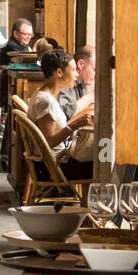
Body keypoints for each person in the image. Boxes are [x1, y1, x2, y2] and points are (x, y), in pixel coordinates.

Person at [29, 49, 95, 179]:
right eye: (73, 70)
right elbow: (48, 142)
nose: (76, 75)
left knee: (102, 153)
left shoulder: (42, 95)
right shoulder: (46, 102)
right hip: (55, 167)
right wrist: (76, 124)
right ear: (59, 72)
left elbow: (54, 130)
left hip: (59, 160)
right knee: (106, 162)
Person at [58, 45, 95, 119]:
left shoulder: (82, 83)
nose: (96, 75)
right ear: (81, 64)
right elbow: (63, 115)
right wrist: (91, 97)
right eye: (94, 69)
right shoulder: (64, 82)